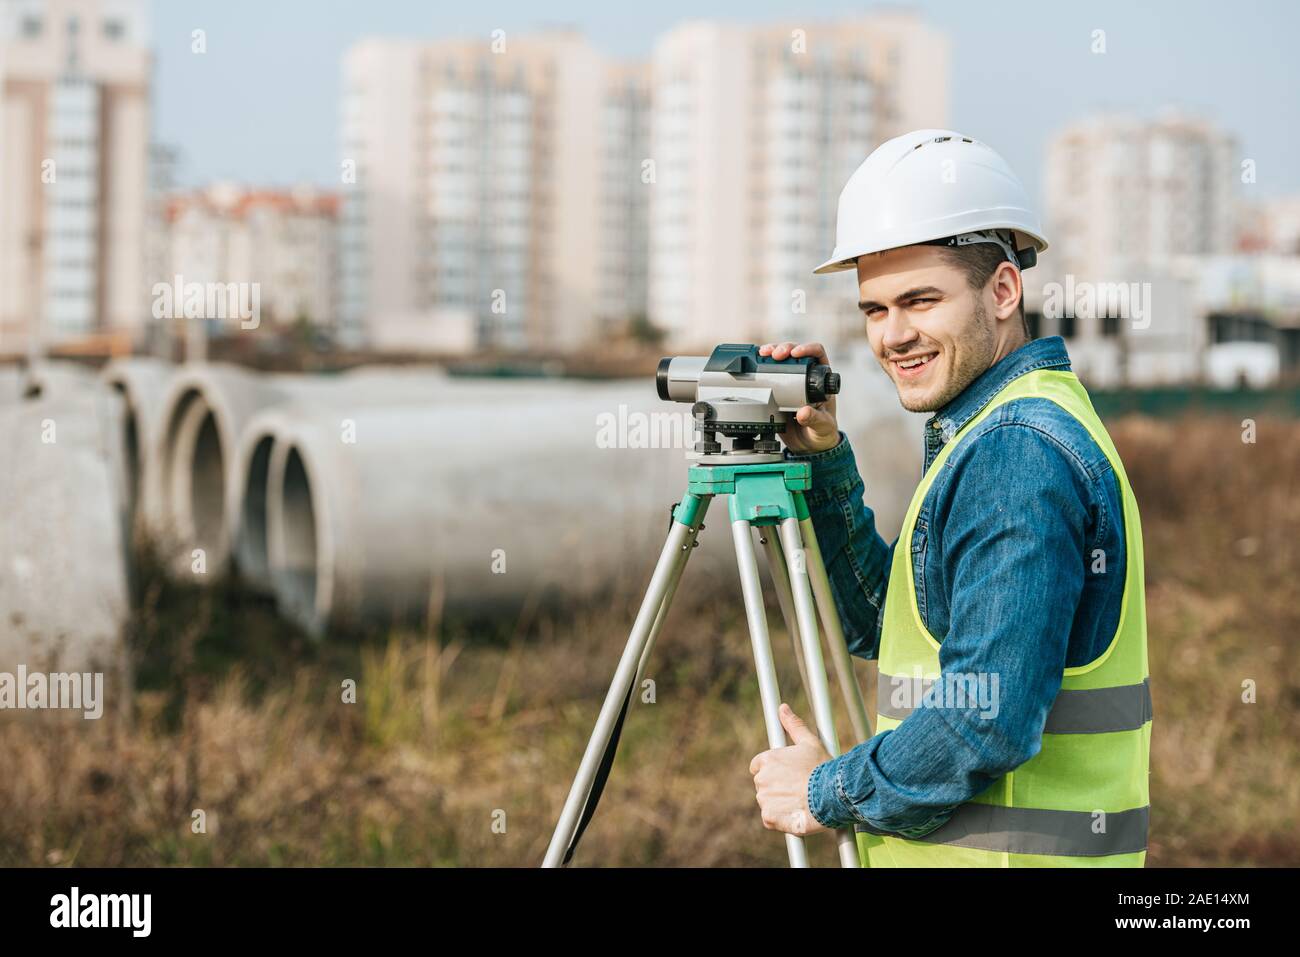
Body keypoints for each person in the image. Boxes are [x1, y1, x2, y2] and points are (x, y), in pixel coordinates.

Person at [747, 130, 1152, 867]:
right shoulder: (1004, 428)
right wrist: (825, 461)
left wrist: (823, 790)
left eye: (921, 300)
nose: (893, 335)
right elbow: (886, 626)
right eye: (874, 309)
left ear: (1003, 290)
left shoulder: (1017, 452)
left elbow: (983, 720)